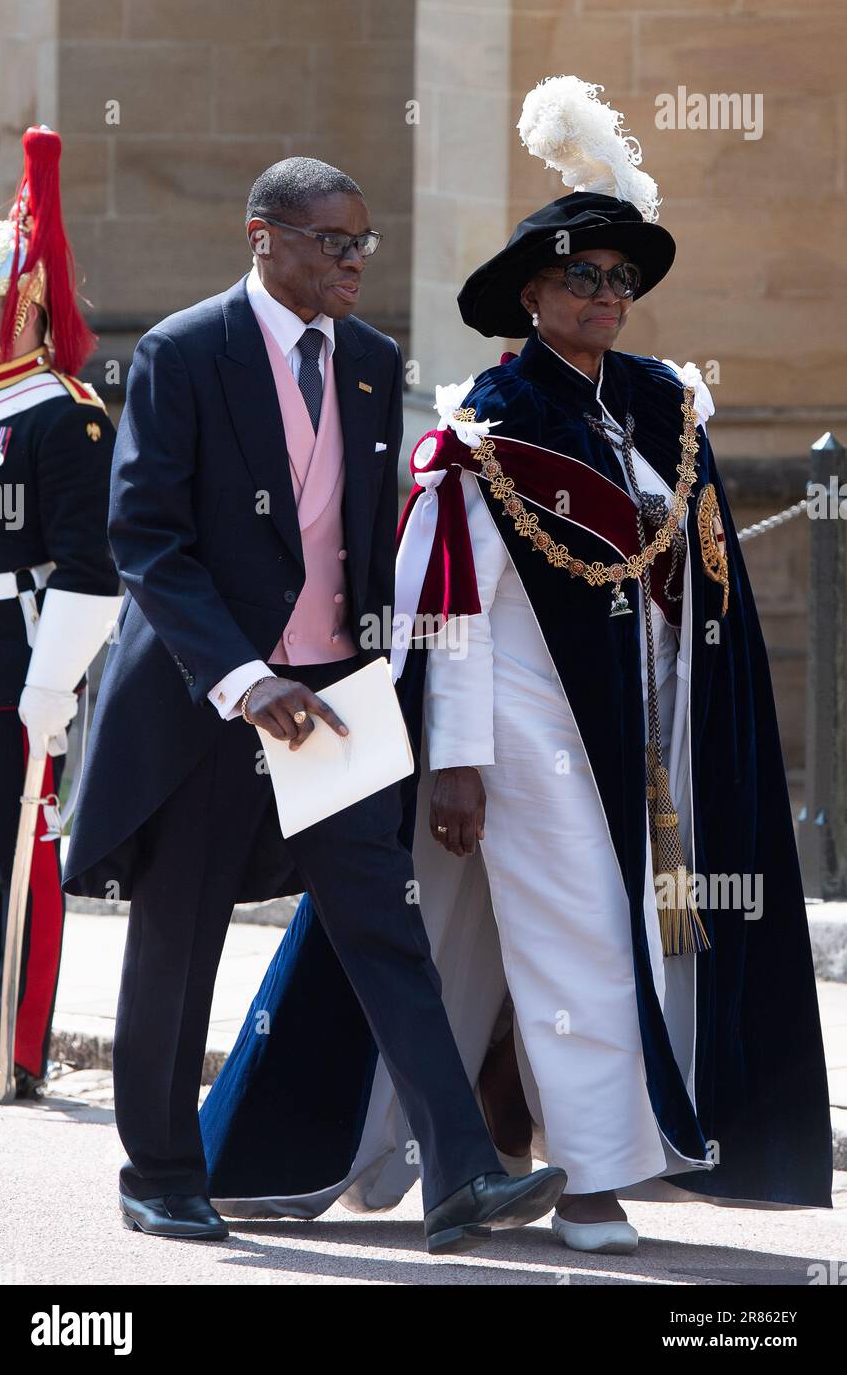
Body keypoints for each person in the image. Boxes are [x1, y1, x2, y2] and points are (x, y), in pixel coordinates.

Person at [198, 80, 831, 1253]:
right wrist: (458, 763)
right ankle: (590, 1177)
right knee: (578, 933)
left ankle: (491, 1143)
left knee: (555, 939)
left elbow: (694, 574)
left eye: (618, 279)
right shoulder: (490, 423)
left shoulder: (660, 404)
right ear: (530, 296)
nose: (604, 295)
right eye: (579, 277)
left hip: (651, 726)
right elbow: (450, 612)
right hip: (527, 726)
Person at [62, 156, 565, 1250]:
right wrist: (246, 679)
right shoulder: (182, 352)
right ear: (262, 236)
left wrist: (390, 689)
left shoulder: (377, 364)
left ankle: (463, 1176)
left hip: (340, 708)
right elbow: (146, 536)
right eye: (331, 243)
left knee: (386, 934)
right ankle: (158, 1174)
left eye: (361, 244)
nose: (351, 263)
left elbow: (364, 544)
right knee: (177, 941)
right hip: (210, 707)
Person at [0, 126, 119, 1105]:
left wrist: (50, 684)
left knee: (17, 862)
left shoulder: (64, 415)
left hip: (13, 666)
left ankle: (12, 1045)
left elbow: (92, 568)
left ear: (22, 304)